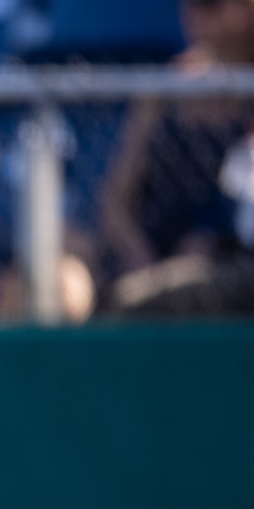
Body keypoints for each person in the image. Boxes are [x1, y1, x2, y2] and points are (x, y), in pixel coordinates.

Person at [96, 0, 254, 315]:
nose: (194, 15)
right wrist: (138, 255)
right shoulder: (163, 88)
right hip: (147, 257)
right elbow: (114, 203)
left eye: (210, 4)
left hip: (227, 262)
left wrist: (214, 242)